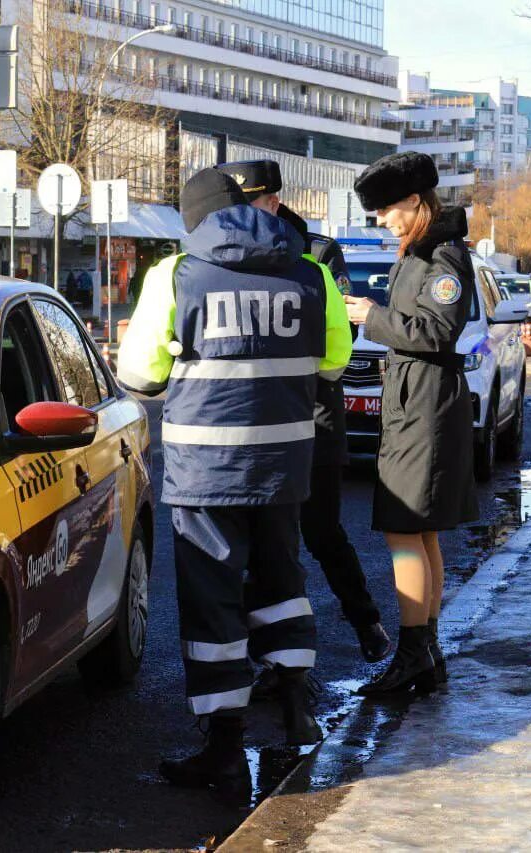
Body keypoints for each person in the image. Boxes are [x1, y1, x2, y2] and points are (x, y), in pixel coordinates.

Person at [117, 169, 352, 802]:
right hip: (283, 465)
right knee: (282, 580)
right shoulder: (311, 271)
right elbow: (334, 361)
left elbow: (139, 374)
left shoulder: (174, 275)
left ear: (194, 219)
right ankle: (297, 705)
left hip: (206, 472)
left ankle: (223, 747)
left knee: (213, 600)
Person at [219, 160, 393, 667]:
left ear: (272, 201)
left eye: (247, 204)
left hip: (313, 418)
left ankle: (366, 622)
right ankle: (274, 657)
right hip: (252, 420)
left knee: (321, 532)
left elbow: (342, 338)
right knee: (266, 543)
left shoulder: (316, 252)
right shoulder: (224, 254)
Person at [343, 151, 478, 695]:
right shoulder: (421, 251)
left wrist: (368, 316)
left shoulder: (440, 256)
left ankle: (414, 651)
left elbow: (435, 331)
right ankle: (426, 650)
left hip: (423, 402)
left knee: (403, 528)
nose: (380, 219)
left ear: (416, 203)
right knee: (418, 530)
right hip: (416, 398)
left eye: (385, 209)